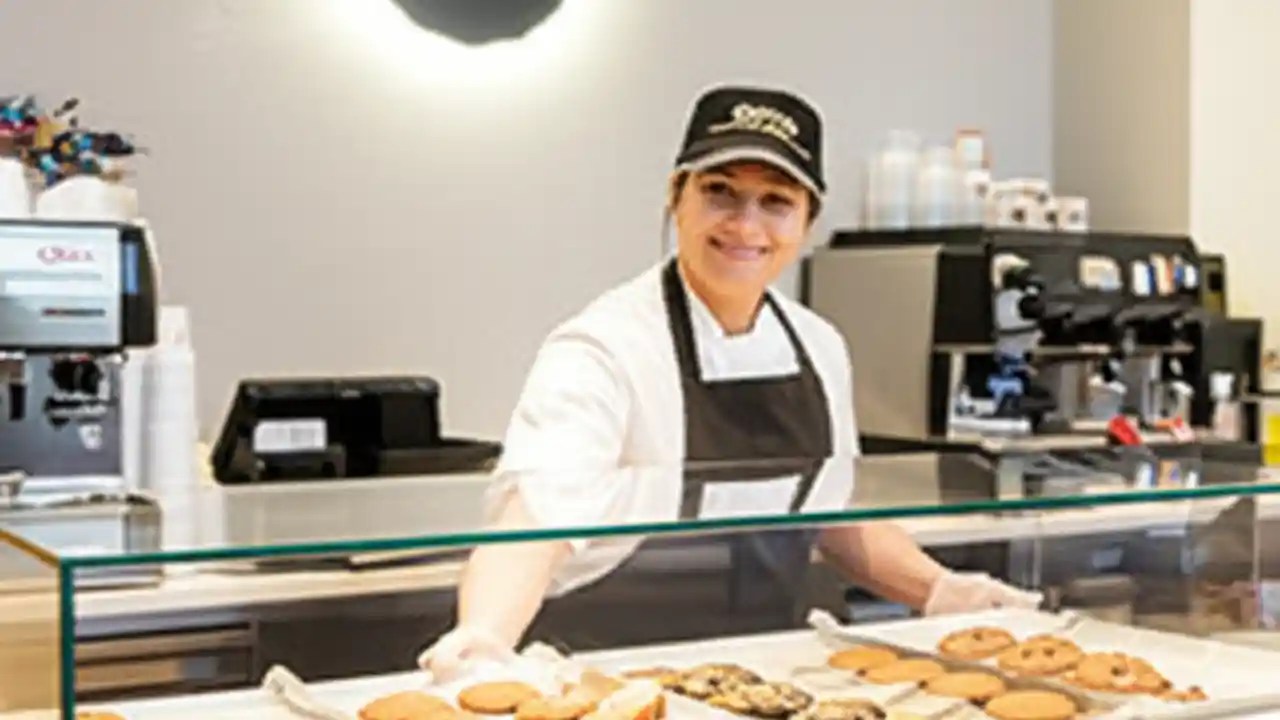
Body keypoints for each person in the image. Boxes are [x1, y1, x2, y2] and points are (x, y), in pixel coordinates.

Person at [419, 85, 1040, 676]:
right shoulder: (604, 346)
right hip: (619, 674)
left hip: (775, 669)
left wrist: (939, 589)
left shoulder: (819, 347)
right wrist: (485, 636)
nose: (746, 225)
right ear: (676, 196)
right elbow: (536, 518)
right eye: (720, 191)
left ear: (808, 220)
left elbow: (827, 512)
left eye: (776, 201)